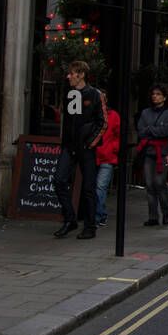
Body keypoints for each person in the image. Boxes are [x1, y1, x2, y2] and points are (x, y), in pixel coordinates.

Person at [53, 61, 105, 240]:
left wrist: (90, 143)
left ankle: (90, 226)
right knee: (59, 180)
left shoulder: (96, 95)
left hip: (86, 147)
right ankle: (70, 219)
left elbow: (103, 122)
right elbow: (68, 121)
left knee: (89, 187)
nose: (68, 76)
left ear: (81, 74)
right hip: (70, 146)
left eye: (72, 73)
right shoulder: (69, 94)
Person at [136, 84, 168, 226]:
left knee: (159, 183)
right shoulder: (145, 113)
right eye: (153, 94)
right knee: (150, 184)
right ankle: (153, 216)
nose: (155, 96)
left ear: (164, 97)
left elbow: (167, 131)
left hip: (163, 153)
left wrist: (150, 129)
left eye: (158, 94)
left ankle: (166, 213)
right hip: (149, 152)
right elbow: (140, 131)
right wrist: (155, 130)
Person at [93, 90, 120, 228]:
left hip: (107, 157)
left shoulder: (113, 115)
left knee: (100, 188)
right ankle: (101, 214)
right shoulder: (91, 115)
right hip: (92, 156)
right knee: (94, 188)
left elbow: (117, 135)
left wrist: (113, 149)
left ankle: (98, 217)